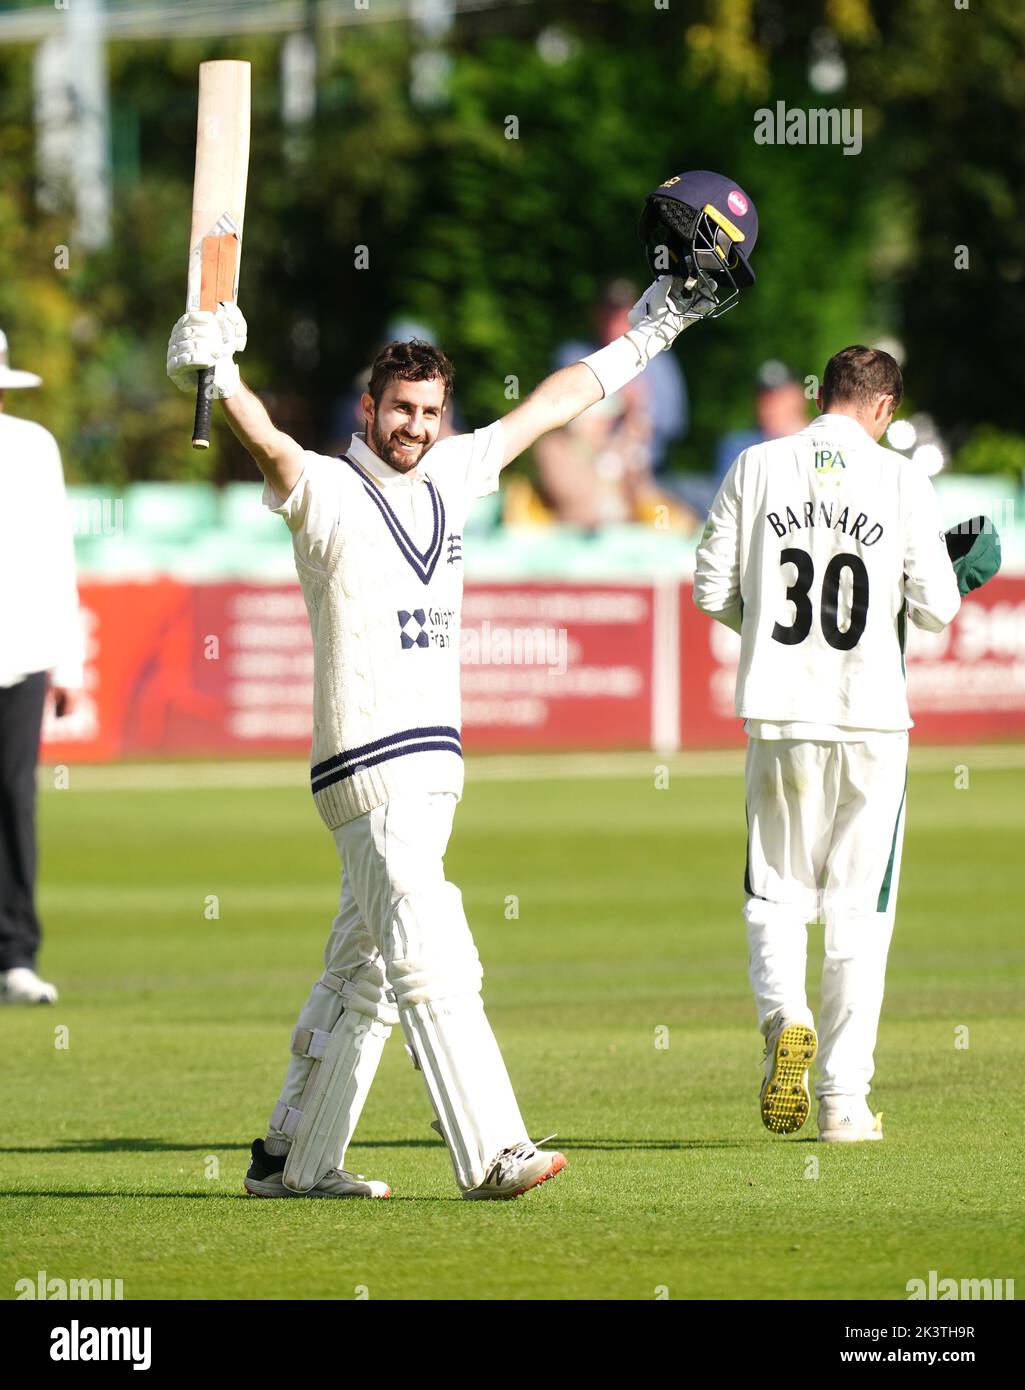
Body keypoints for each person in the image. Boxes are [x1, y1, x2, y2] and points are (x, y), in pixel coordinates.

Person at [167, 269, 724, 1198]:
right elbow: (268, 446)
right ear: (369, 406)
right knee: (431, 946)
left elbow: (551, 405)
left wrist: (649, 336)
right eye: (401, 409)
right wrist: (221, 374)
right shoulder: (330, 490)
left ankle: (291, 1159)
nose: (417, 426)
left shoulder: (455, 472)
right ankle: (490, 1151)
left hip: (432, 769)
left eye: (430, 411)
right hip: (367, 762)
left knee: (366, 970)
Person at [693, 346, 961, 1142]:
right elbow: (936, 609)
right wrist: (956, 570)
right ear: (883, 408)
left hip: (779, 712)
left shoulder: (756, 463)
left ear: (824, 395)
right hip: (871, 718)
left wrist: (772, 643)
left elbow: (711, 588)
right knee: (859, 910)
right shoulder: (902, 479)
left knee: (775, 890)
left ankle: (784, 1019)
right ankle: (843, 1103)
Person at [0, 329, 84, 1005]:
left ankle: (14, 956)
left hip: (20, 651)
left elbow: (56, 552)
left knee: (13, 799)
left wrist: (69, 660)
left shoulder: (32, 448)